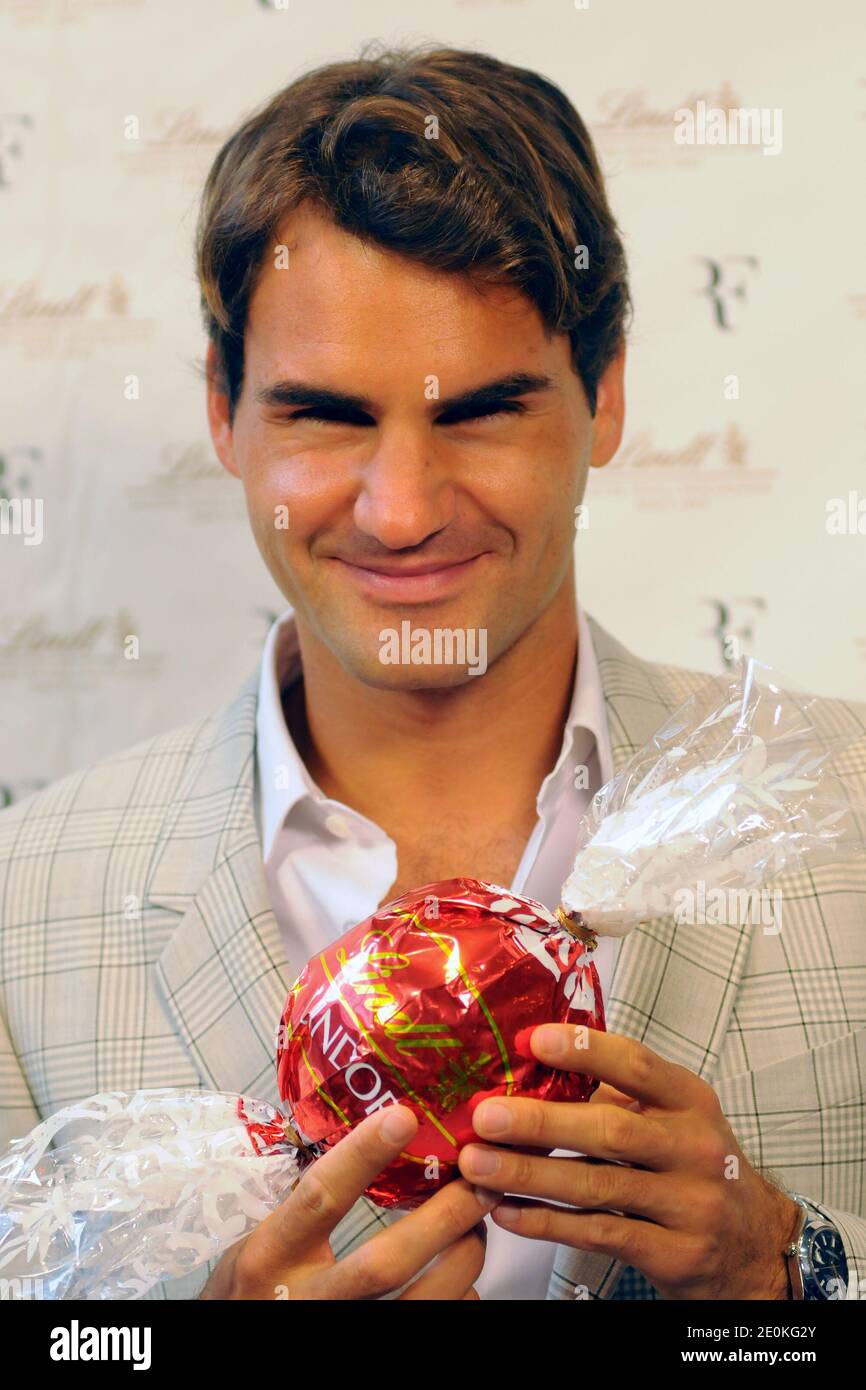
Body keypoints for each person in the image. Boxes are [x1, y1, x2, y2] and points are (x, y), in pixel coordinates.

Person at [1, 45, 864, 1302]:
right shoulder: (25, 905)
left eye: (477, 412)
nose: (400, 511)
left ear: (605, 395)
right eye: (326, 416)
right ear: (223, 413)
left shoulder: (848, 811)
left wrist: (788, 1283)